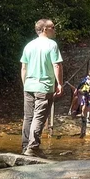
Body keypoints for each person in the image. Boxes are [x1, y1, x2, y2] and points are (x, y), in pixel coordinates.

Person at [19, 19, 64, 156]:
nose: (55, 29)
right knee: (39, 116)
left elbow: (24, 68)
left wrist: (25, 84)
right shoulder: (51, 45)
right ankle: (32, 147)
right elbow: (57, 65)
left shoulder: (29, 45)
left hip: (29, 86)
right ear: (45, 29)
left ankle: (25, 145)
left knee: (28, 117)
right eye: (53, 27)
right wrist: (60, 84)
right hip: (44, 86)